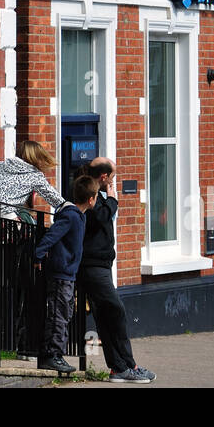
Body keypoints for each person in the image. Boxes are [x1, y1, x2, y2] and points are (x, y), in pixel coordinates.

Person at [79, 158, 154, 383]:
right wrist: (113, 199)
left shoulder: (96, 192)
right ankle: (129, 365)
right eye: (112, 177)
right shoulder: (87, 192)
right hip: (92, 266)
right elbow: (99, 217)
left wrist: (109, 199)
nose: (112, 181)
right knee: (116, 311)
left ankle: (118, 368)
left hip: (101, 265)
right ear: (104, 177)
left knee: (105, 316)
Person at [33, 174, 97, 374]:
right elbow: (52, 235)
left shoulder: (79, 216)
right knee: (58, 315)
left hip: (68, 273)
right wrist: (38, 255)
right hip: (61, 273)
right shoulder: (70, 216)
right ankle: (52, 355)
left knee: (65, 313)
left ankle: (56, 354)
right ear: (91, 199)